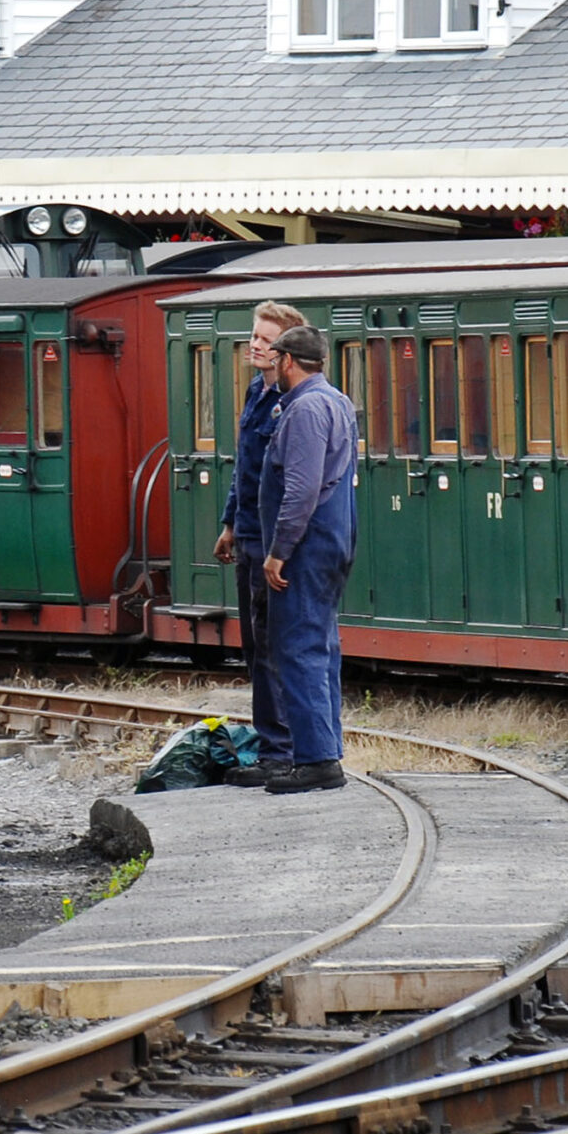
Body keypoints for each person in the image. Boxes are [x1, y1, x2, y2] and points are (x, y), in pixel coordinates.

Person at [256, 323, 356, 794]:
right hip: (330, 536)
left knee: (298, 647)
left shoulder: (306, 410)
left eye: (275, 358)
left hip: (307, 542)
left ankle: (316, 759)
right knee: (321, 645)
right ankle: (324, 750)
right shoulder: (334, 400)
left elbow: (300, 489)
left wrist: (278, 552)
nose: (270, 365)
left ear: (289, 361)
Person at [213, 302, 305, 786]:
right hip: (248, 533)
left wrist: (278, 546)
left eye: (266, 339)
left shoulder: (290, 403)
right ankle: (273, 747)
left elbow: (289, 480)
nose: (255, 344)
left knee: (273, 645)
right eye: (254, 335)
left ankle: (281, 752)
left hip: (271, 541)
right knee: (253, 646)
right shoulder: (255, 391)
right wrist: (229, 523)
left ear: (286, 350)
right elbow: (244, 468)